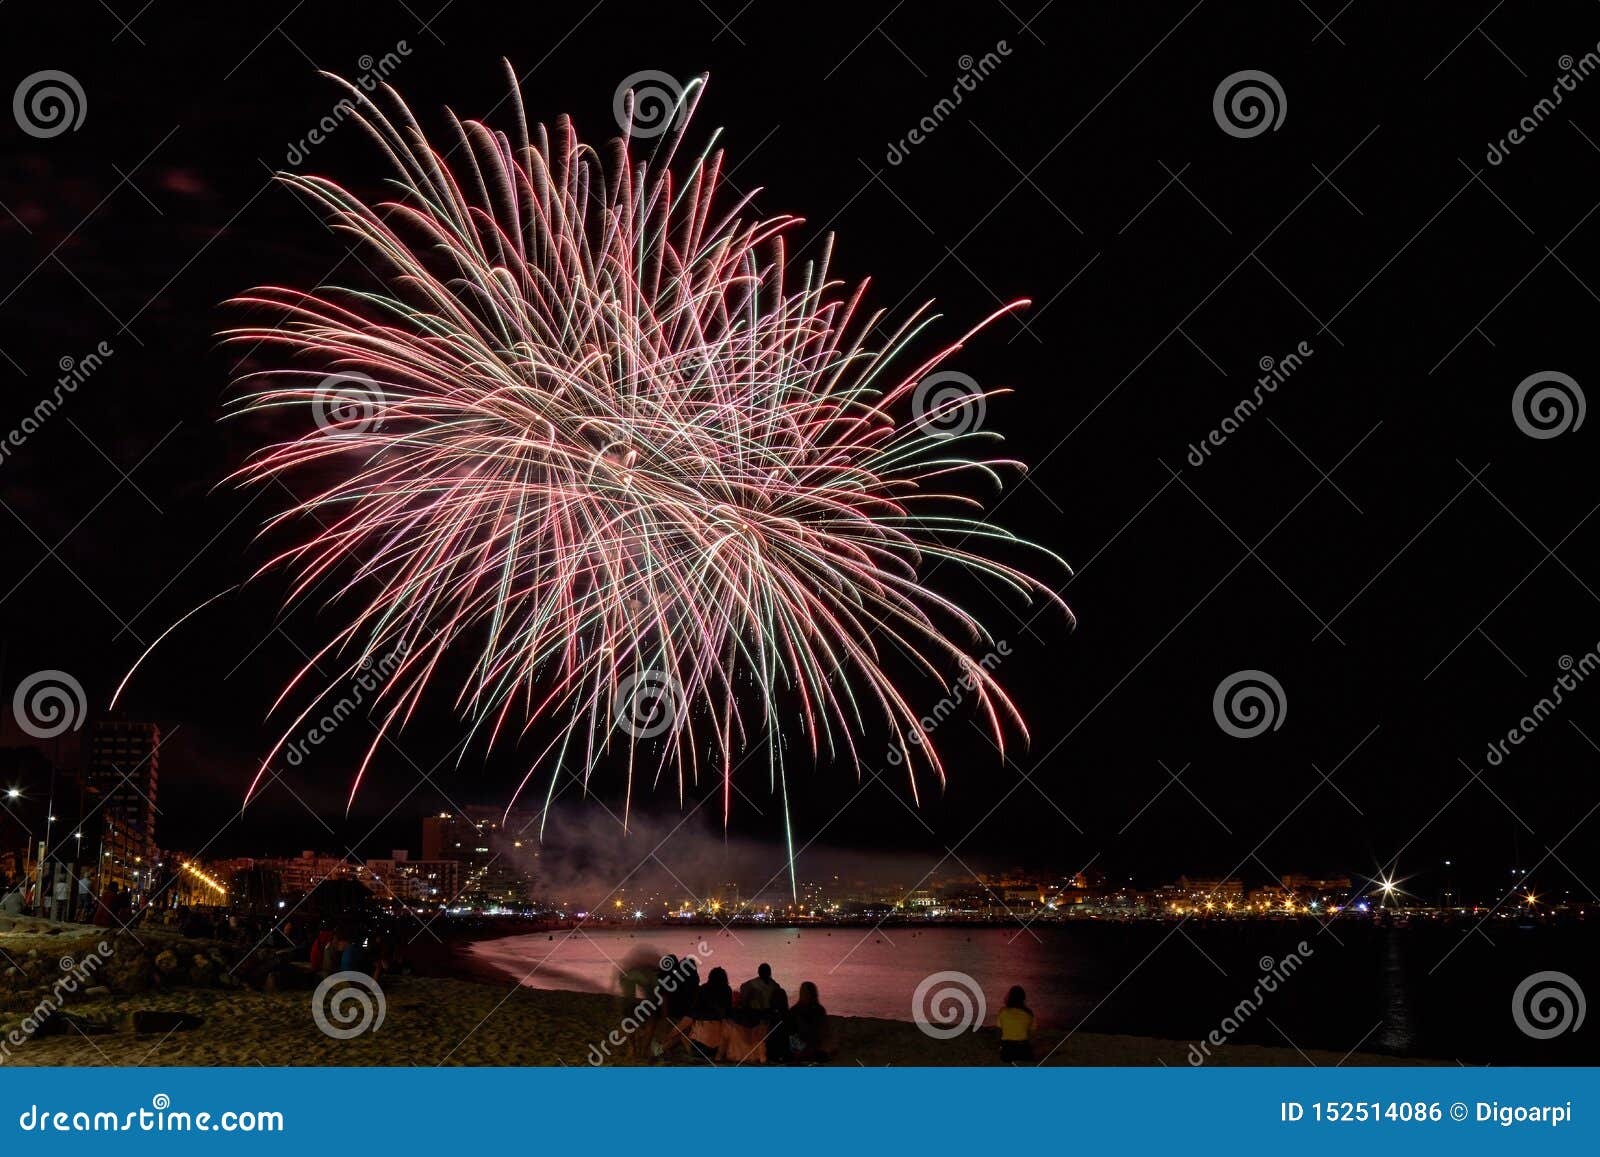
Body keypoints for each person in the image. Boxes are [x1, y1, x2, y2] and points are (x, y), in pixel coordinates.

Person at [678, 966, 732, 1060]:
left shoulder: (704, 989)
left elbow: (694, 1007)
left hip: (699, 1049)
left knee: (681, 1033)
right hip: (717, 1050)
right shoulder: (727, 990)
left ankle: (662, 1048)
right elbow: (728, 1007)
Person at [787, 981, 832, 1063]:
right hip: (800, 1047)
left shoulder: (819, 1010)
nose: (804, 994)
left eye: (806, 992)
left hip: (814, 1045)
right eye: (803, 992)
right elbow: (791, 1033)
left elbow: (824, 1031)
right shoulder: (795, 1010)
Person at [996, 985, 1035, 1063]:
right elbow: (1032, 1034)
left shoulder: (1003, 1012)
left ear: (1010, 997)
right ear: (1023, 999)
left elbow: (999, 1032)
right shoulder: (1029, 1014)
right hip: (1024, 1051)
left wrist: (1001, 1045)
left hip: (1008, 1052)